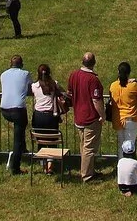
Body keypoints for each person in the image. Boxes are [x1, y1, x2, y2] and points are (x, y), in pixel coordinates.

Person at [67, 51, 106, 182]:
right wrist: (103, 115)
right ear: (94, 63)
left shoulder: (74, 75)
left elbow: (69, 93)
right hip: (90, 118)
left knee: (83, 146)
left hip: (79, 117)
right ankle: (87, 176)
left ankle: (88, 171)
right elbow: (96, 100)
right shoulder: (93, 80)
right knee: (89, 148)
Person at [0, 54, 32, 175]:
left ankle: (22, 147)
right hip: (17, 109)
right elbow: (30, 88)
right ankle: (15, 168)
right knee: (17, 138)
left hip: (4, 109)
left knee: (21, 127)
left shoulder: (3, 74)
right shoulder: (25, 74)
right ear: (21, 65)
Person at [30, 63, 63, 134]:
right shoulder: (54, 84)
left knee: (39, 139)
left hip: (38, 116)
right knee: (53, 140)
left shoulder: (34, 86)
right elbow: (62, 91)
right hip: (51, 116)